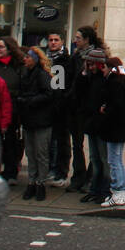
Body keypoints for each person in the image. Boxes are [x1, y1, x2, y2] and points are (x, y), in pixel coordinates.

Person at [17, 47, 56, 201]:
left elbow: (49, 95)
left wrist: (29, 100)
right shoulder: (25, 74)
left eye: (27, 57)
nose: (25, 59)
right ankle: (32, 181)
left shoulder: (43, 75)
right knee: (30, 153)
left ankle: (41, 183)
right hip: (29, 120)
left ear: (34, 59)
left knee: (41, 153)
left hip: (42, 121)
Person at [66, 26, 101, 192]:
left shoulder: (98, 56)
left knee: (94, 146)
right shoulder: (75, 57)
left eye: (78, 37)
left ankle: (91, 177)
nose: (75, 40)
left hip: (90, 106)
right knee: (77, 144)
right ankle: (78, 177)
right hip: (76, 106)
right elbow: (70, 79)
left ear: (87, 39)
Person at [75, 47, 111, 204]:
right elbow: (79, 92)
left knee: (104, 159)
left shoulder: (105, 79)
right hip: (90, 123)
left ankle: (104, 190)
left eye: (91, 64)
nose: (89, 67)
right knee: (95, 158)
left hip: (101, 125)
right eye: (87, 64)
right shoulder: (88, 78)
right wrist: (83, 73)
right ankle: (94, 189)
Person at [98, 56, 125, 206]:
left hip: (115, 127)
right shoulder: (124, 81)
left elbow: (116, 105)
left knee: (114, 160)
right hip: (122, 126)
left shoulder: (114, 83)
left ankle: (118, 192)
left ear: (110, 68)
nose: (102, 71)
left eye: (104, 68)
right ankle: (120, 192)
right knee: (117, 159)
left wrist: (105, 110)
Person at [0, 36, 27, 183]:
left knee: (11, 141)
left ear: (9, 49)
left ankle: (11, 171)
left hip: (13, 109)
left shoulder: (19, 66)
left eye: (1, 47)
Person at [46, 32, 73, 185]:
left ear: (62, 42)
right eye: (50, 40)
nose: (53, 42)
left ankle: (61, 172)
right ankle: (50, 168)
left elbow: (66, 83)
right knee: (48, 141)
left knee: (62, 142)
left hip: (61, 107)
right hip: (47, 105)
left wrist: (63, 100)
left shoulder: (66, 60)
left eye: (56, 40)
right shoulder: (44, 60)